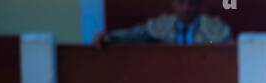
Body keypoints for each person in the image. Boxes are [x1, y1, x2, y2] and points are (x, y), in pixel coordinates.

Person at [93, 0, 232, 47]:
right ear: (173, 4)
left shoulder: (216, 29)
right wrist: (110, 36)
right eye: (181, 2)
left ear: (200, 5)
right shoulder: (161, 25)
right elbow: (134, 35)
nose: (186, 8)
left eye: (192, 3)